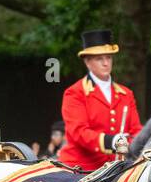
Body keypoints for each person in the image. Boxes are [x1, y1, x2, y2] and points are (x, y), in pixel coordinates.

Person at [56, 29, 144, 172]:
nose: (105, 63)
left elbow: (136, 130)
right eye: (99, 59)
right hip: (81, 168)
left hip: (118, 167)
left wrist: (135, 145)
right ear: (87, 62)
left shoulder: (126, 94)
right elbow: (79, 132)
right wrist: (112, 141)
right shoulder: (74, 93)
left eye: (108, 57)